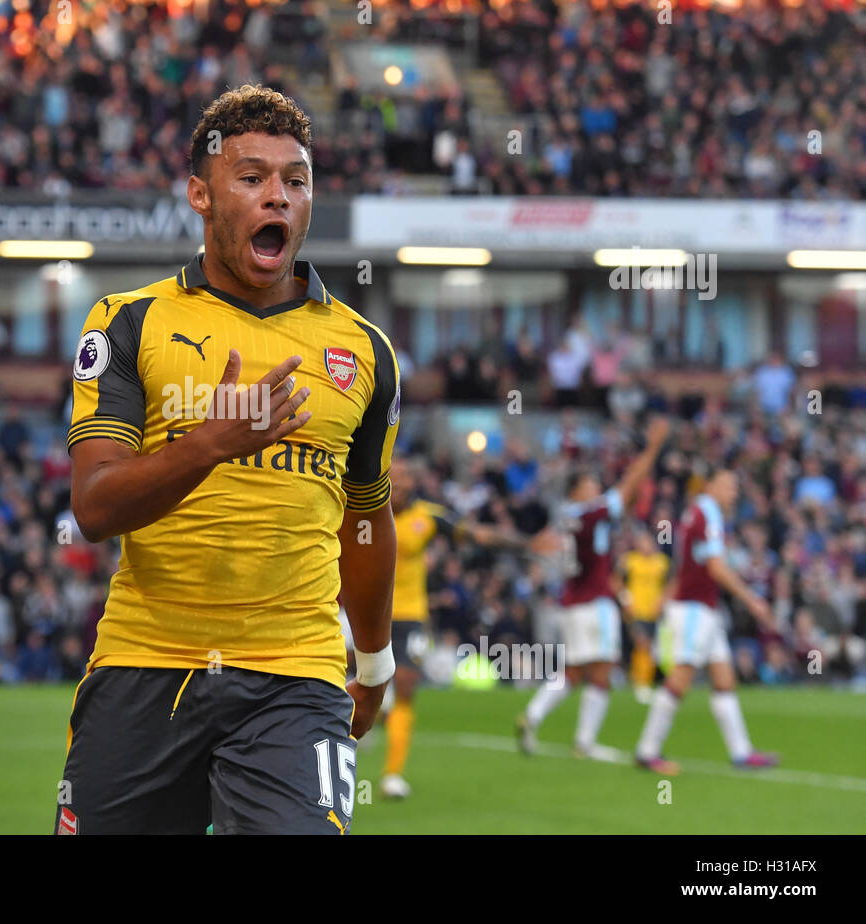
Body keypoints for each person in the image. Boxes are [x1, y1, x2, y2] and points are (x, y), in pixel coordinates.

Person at [57, 84, 400, 834]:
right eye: (251, 178)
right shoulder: (128, 323)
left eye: (296, 181)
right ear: (201, 195)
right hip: (146, 663)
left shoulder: (364, 351)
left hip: (295, 678)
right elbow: (95, 507)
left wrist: (374, 660)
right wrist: (212, 442)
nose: (277, 196)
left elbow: (367, 520)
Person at [382, 455, 556, 799]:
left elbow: (479, 534)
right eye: (392, 476)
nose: (398, 483)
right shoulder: (362, 510)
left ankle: (391, 775)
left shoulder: (427, 516)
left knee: (405, 687)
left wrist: (525, 542)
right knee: (351, 684)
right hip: (363, 613)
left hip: (409, 615)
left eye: (404, 477)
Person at [518, 416, 669, 758]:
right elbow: (630, 485)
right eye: (590, 484)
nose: (597, 488)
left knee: (573, 671)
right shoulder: (590, 512)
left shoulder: (565, 515)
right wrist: (654, 447)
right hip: (593, 604)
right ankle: (585, 742)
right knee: (601, 671)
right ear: (577, 490)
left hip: (572, 602)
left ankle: (532, 715)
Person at [634, 468, 780, 774]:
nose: (733, 493)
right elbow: (715, 567)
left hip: (704, 610)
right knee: (681, 679)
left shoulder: (694, 515)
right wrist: (751, 599)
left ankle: (741, 752)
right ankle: (647, 751)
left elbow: (689, 565)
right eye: (728, 486)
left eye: (735, 487)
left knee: (724, 680)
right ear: (710, 485)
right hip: (693, 611)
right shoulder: (708, 513)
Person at [620, 525, 671, 703]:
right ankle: (640, 684)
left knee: (652, 650)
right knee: (642, 644)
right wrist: (626, 600)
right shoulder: (630, 561)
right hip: (636, 611)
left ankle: (645, 682)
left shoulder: (662, 562)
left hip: (655, 612)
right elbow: (616, 581)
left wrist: (663, 600)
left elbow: (670, 584)